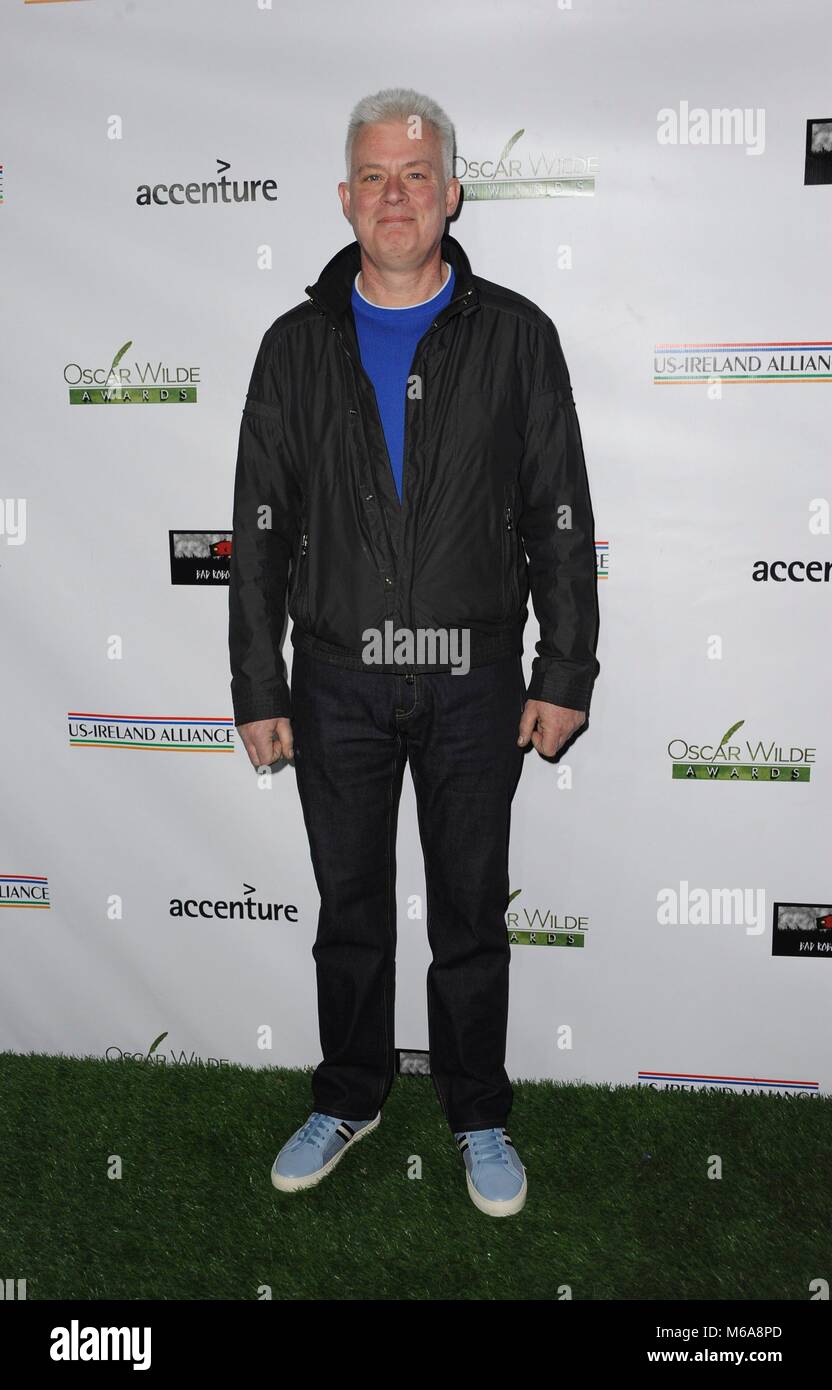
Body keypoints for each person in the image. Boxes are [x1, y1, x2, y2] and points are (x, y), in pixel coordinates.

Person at [228, 87, 600, 1218]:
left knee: (471, 913)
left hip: (474, 676)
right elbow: (257, 528)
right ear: (346, 197)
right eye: (374, 177)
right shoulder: (293, 347)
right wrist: (259, 681)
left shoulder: (517, 335)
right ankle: (351, 1091)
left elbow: (559, 516)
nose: (395, 196)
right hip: (335, 676)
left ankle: (478, 1111)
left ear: (451, 190)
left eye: (415, 174)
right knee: (350, 907)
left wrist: (563, 669)